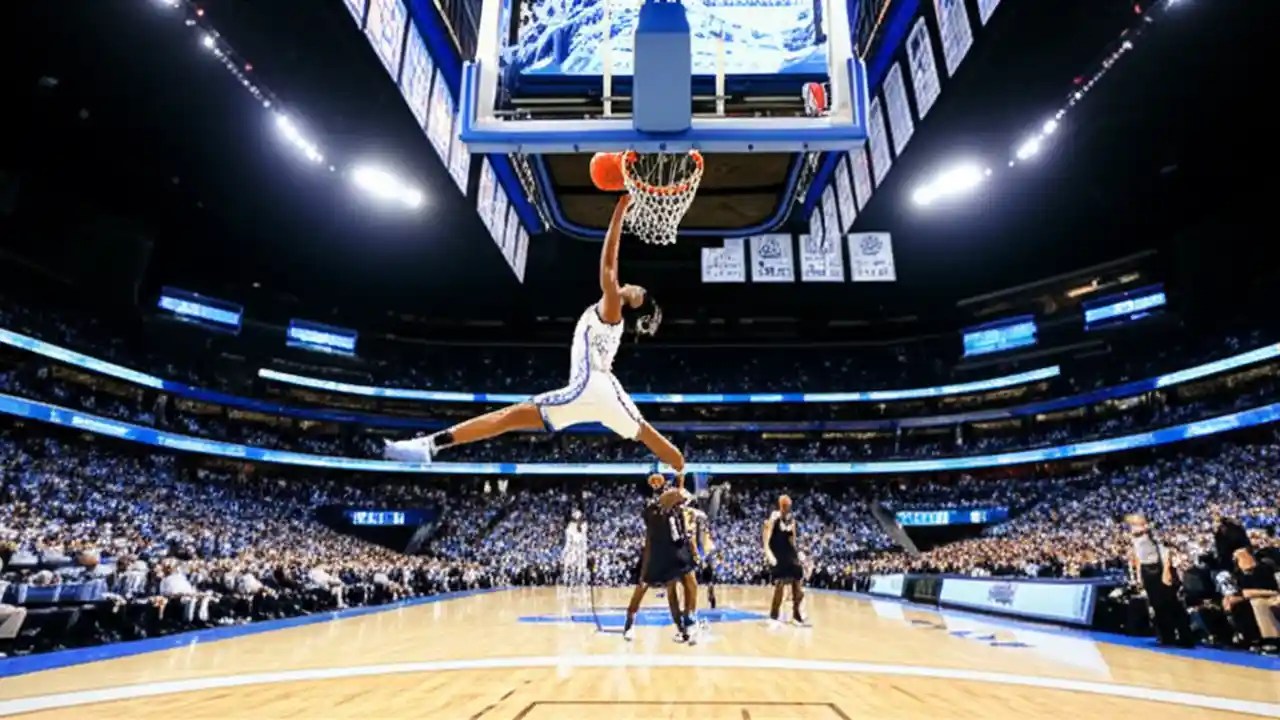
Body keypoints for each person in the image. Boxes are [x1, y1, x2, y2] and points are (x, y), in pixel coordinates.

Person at [383, 194, 685, 475]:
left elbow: (608, 269)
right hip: (603, 394)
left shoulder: (612, 313)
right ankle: (428, 446)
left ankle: (428, 445)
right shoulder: (614, 322)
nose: (632, 286)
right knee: (656, 443)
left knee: (507, 418)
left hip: (590, 385)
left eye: (637, 292)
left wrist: (619, 210)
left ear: (630, 304)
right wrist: (680, 473)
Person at [623, 474, 700, 644]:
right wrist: (680, 478)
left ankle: (689, 623)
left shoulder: (676, 502)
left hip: (678, 547)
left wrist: (694, 550)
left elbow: (687, 521)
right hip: (659, 550)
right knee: (644, 587)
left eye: (659, 479)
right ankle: (629, 622)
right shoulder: (651, 505)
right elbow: (671, 498)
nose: (656, 481)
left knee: (691, 583)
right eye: (652, 480)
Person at [1126, 514, 1194, 648]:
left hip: (1159, 567)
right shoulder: (1135, 535)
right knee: (1157, 605)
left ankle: (1185, 637)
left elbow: (1165, 551)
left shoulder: (1152, 532)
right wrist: (1139, 575)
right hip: (1147, 569)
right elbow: (1138, 555)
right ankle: (1166, 636)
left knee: (1171, 603)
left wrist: (1166, 571)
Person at [763, 494, 808, 626]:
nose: (787, 507)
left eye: (789, 505)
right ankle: (774, 615)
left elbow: (793, 539)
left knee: (798, 584)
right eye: (785, 505)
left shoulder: (792, 520)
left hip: (790, 554)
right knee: (779, 585)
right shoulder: (774, 518)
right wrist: (769, 554)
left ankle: (796, 613)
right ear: (780, 505)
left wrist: (798, 553)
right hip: (778, 553)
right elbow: (766, 539)